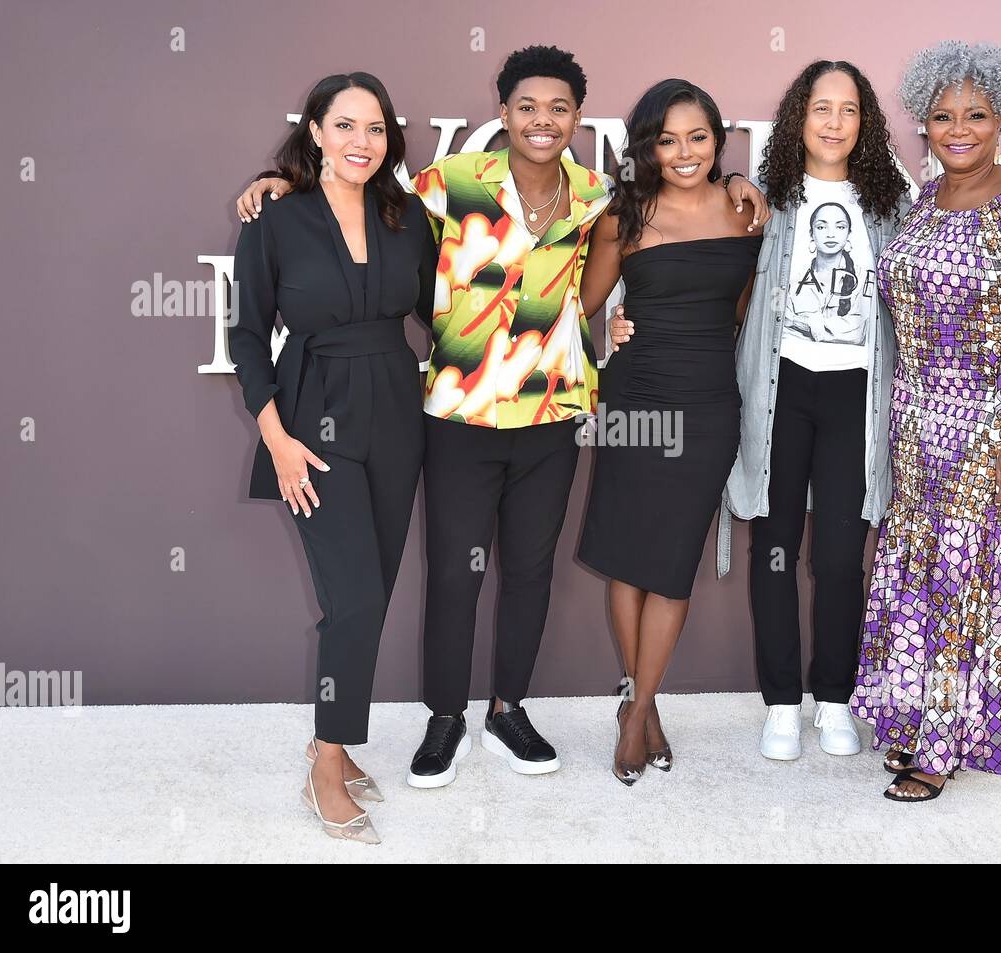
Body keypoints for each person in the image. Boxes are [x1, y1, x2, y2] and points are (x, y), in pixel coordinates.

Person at [235, 47, 768, 788]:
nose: (542, 121)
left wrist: (736, 182)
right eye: (526, 107)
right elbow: (351, 189)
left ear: (577, 117)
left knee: (529, 570)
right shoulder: (450, 182)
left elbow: (612, 280)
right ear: (503, 111)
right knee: (453, 572)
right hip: (457, 413)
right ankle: (446, 716)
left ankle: (508, 709)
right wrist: (281, 181)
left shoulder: (597, 199)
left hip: (552, 413)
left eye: (558, 109)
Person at [609, 60, 913, 762]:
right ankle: (781, 702)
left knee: (840, 557)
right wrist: (623, 317)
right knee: (774, 550)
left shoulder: (891, 203)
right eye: (819, 109)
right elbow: (693, 271)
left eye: (847, 110)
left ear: (863, 123)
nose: (834, 123)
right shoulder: (762, 198)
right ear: (797, 121)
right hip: (778, 391)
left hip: (853, 394)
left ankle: (832, 698)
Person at [850, 41, 1001, 802]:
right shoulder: (925, 203)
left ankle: (942, 742)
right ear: (923, 123)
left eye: (977, 116)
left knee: (962, 574)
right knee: (913, 564)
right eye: (942, 117)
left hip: (986, 423)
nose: (959, 130)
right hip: (915, 419)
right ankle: (911, 714)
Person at [229, 73, 436, 843]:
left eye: (375, 128)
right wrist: (277, 438)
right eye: (344, 125)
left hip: (395, 415)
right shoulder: (276, 216)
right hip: (310, 421)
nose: (361, 141)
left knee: (373, 595)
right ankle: (326, 761)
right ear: (314, 130)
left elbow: (451, 305)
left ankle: (337, 744)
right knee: (350, 599)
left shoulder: (406, 214)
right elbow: (247, 334)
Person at [576, 79, 761, 784]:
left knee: (672, 562)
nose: (683, 152)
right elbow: (583, 304)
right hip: (636, 395)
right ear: (647, 145)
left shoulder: (747, 212)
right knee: (627, 554)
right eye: (667, 139)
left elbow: (744, 311)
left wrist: (744, 183)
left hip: (710, 400)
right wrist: (610, 328)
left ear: (718, 141)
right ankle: (642, 707)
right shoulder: (623, 215)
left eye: (699, 137)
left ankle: (639, 702)